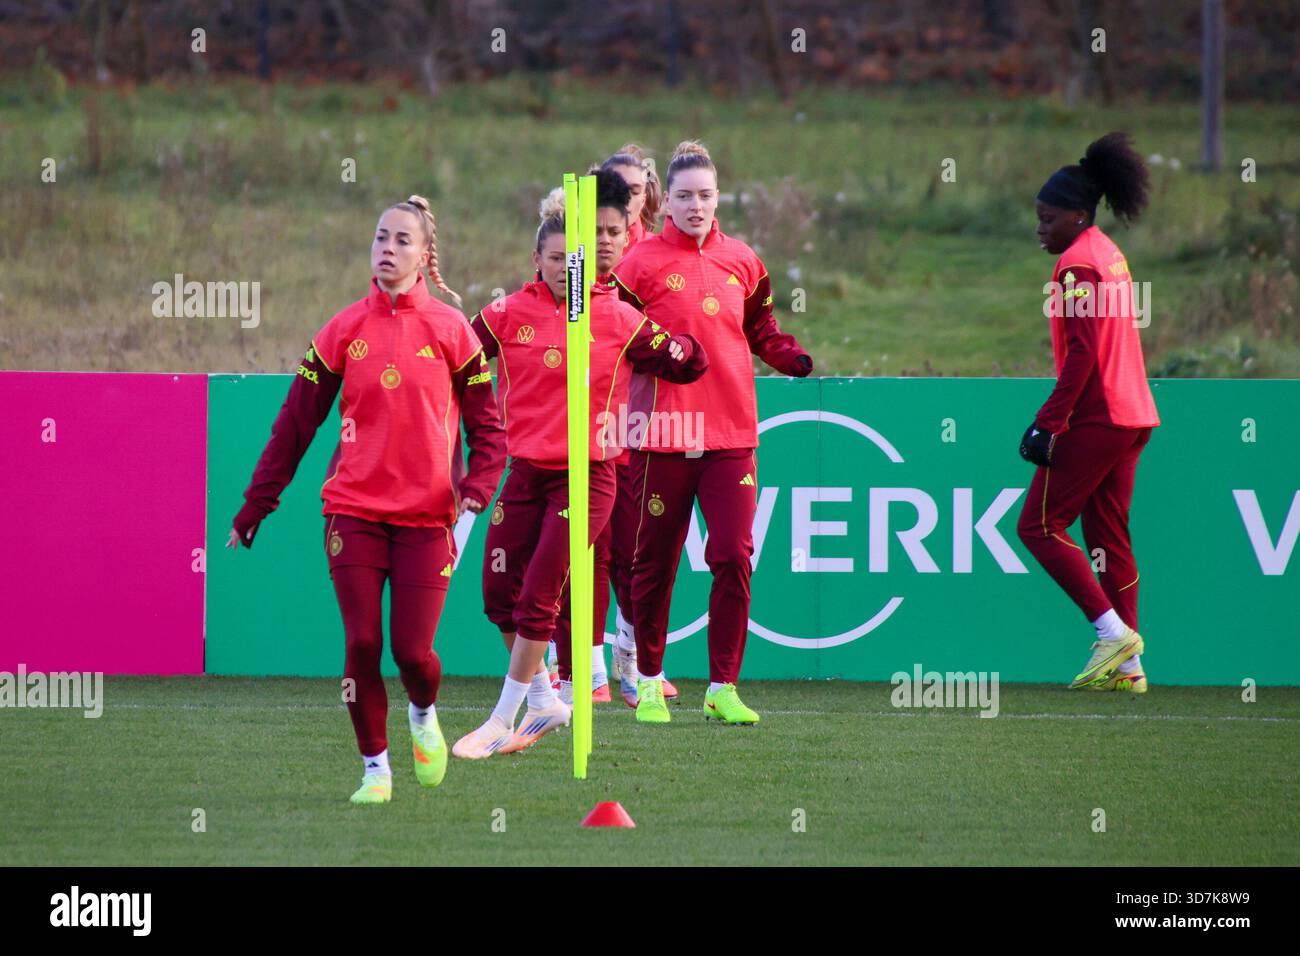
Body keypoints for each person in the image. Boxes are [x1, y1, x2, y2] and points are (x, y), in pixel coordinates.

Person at [228, 196, 506, 803]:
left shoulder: (455, 331)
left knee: (412, 652)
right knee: (360, 643)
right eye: (381, 237)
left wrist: (475, 491)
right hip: (351, 511)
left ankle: (424, 712)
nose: (387, 248)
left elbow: (489, 432)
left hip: (429, 517)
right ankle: (375, 770)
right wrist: (256, 506)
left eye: (402, 240)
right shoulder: (341, 330)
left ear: (424, 256)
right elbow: (295, 427)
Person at [455, 171, 708, 758]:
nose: (565, 268)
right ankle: (544, 695)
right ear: (537, 258)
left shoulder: (616, 317)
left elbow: (682, 361)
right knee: (499, 595)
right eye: (553, 257)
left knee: (540, 594)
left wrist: (693, 344)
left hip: (588, 475)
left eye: (575, 257)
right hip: (526, 473)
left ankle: (501, 717)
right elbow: (459, 361)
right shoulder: (507, 313)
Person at [612, 141, 813, 726]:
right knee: (655, 564)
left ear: (718, 197)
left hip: (731, 435)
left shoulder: (744, 260)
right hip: (661, 434)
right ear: (664, 201)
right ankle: (649, 681)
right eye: (683, 196)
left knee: (732, 555)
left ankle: (723, 685)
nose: (695, 206)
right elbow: (611, 338)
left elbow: (762, 329)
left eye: (704, 195)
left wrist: (789, 355)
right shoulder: (637, 264)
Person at [1016, 131, 1160, 693]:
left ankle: (1111, 633)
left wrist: (1048, 422)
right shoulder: (1107, 252)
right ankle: (1129, 667)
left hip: (1096, 415)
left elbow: (1083, 352)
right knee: (1108, 538)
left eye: (1048, 218)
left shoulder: (1077, 266)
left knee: (1039, 526)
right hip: (1134, 414)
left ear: (1077, 216)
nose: (1040, 228)